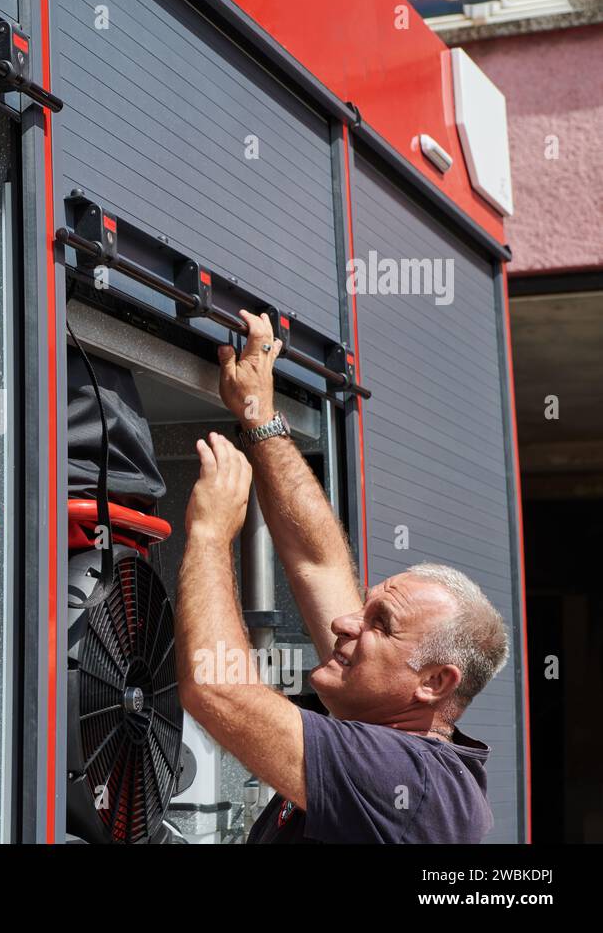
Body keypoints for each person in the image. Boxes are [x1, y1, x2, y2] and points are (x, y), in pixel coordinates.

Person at [175, 310, 509, 843]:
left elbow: (219, 690)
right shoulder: (390, 738)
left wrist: (211, 535)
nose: (343, 622)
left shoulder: (413, 783)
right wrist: (259, 416)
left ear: (432, 682)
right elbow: (318, 560)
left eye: (380, 624)